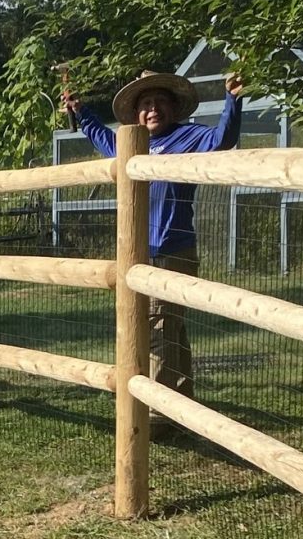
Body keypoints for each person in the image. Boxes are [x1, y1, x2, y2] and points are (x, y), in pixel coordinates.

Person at [62, 67, 247, 399]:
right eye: (146, 104)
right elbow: (104, 138)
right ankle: (181, 403)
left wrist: (232, 100)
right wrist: (81, 112)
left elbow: (223, 140)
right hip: (138, 252)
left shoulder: (189, 137)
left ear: (174, 108)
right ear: (136, 113)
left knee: (157, 331)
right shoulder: (132, 144)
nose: (153, 110)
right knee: (169, 329)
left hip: (172, 251)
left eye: (160, 102)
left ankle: (156, 414)